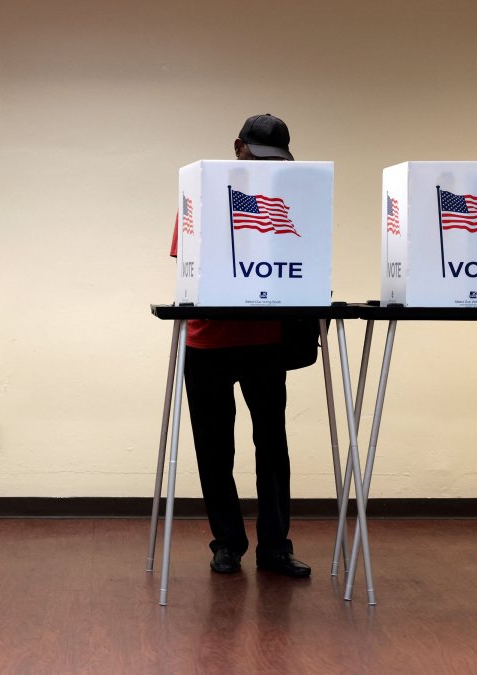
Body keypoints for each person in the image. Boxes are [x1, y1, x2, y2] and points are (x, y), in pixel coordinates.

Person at [169, 113, 312, 578]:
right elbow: (186, 265)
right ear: (237, 147)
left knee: (272, 447)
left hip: (267, 339)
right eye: (257, 154)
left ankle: (275, 546)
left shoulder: (288, 195)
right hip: (208, 339)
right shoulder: (202, 194)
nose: (264, 165)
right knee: (215, 449)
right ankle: (227, 542)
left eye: (276, 159)